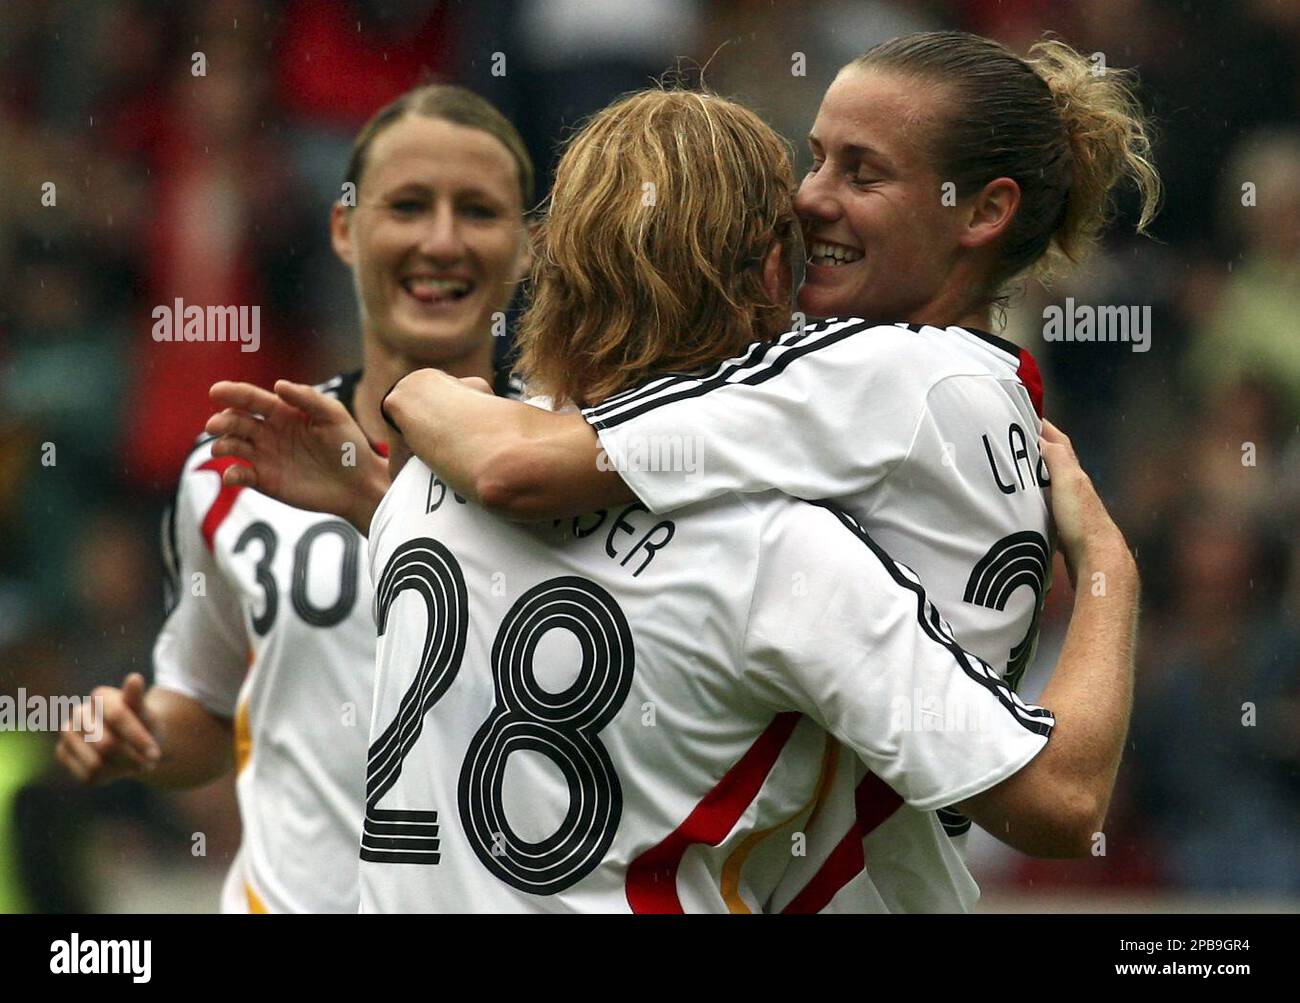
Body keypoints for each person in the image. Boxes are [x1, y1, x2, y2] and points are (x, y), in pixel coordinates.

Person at [213, 32, 1157, 910]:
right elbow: (624, 573)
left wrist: (411, 403)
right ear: (760, 279)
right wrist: (1109, 561)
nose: (814, 196)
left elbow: (521, 499)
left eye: (860, 171)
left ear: (554, 253)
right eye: (814, 160)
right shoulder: (797, 535)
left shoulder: (437, 505)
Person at [55, 84, 534, 912]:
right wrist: (137, 730)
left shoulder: (575, 461)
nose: (442, 240)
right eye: (409, 205)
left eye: (480, 211)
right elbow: (203, 708)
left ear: (528, 245)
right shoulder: (238, 458)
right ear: (345, 228)